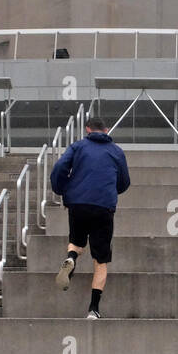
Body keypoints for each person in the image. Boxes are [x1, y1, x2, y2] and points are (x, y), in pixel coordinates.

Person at [49, 119, 131, 318]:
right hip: (103, 207)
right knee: (100, 260)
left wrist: (62, 188)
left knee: (76, 242)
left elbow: (60, 166)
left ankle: (71, 258)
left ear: (87, 129)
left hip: (78, 203)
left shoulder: (77, 147)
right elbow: (125, 182)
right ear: (107, 130)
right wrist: (110, 190)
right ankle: (93, 309)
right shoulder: (116, 151)